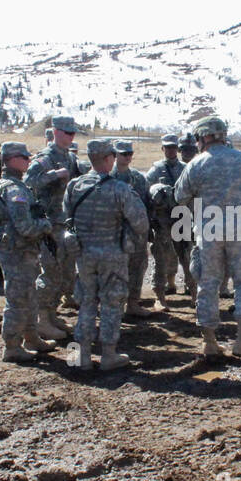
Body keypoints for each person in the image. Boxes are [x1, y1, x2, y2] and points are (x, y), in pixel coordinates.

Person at [173, 115, 241, 359]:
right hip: (240, 229)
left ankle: (209, 343)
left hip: (208, 231)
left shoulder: (196, 164)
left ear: (204, 137)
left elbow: (179, 197)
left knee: (208, 284)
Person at [63, 139, 149, 370]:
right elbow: (141, 223)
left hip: (84, 255)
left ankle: (81, 358)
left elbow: (67, 220)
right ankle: (108, 355)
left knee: (86, 303)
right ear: (108, 158)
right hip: (113, 255)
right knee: (112, 303)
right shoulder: (120, 189)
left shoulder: (74, 186)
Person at [0, 143, 56, 361]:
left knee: (29, 295)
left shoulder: (16, 185)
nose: (29, 161)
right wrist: (45, 226)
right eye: (24, 157)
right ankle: (12, 346)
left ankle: (31, 337)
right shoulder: (14, 190)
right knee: (18, 298)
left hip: (22, 252)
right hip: (16, 252)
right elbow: (25, 227)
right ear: (11, 159)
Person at [25, 115, 87, 341]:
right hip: (49, 226)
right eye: (66, 132)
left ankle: (51, 315)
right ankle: (42, 319)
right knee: (50, 272)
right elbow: (28, 184)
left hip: (66, 225)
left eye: (72, 133)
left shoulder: (71, 158)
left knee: (66, 272)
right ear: (55, 132)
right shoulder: (44, 159)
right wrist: (54, 175)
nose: (70, 137)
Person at [146, 134, 194, 308]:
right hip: (162, 220)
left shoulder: (186, 168)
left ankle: (194, 292)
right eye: (167, 147)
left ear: (178, 149)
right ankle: (160, 295)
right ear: (162, 149)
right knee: (161, 257)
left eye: (173, 147)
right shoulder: (156, 170)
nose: (171, 150)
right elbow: (147, 194)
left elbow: (193, 193)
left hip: (182, 218)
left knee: (187, 256)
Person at [112, 139, 153, 318]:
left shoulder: (138, 178)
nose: (127, 157)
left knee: (138, 266)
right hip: (114, 232)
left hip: (136, 232)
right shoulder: (107, 178)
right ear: (114, 155)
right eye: (123, 154)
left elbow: (145, 204)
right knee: (116, 269)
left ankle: (133, 303)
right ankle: (116, 305)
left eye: (130, 153)